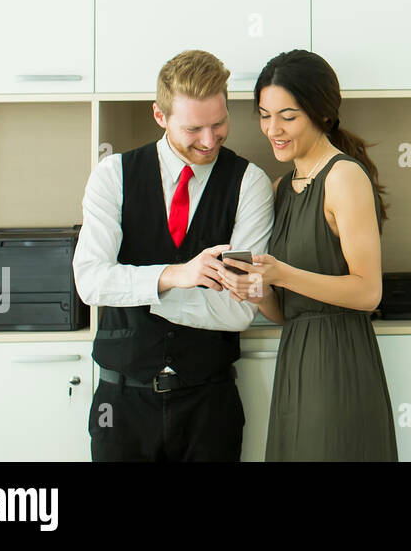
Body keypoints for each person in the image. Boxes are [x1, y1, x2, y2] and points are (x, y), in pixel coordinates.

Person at [73, 49, 274, 461]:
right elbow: (91, 281)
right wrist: (174, 276)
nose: (208, 139)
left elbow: (239, 310)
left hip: (210, 405)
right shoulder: (113, 176)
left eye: (219, 123)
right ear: (160, 116)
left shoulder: (249, 184)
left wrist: (136, 292)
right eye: (193, 128)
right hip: (121, 405)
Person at [222, 48, 398, 461]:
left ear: (321, 114)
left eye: (288, 116)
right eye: (265, 115)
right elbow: (286, 311)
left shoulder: (344, 177)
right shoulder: (282, 186)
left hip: (339, 361)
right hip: (295, 359)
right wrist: (257, 287)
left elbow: (368, 292)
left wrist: (281, 274)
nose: (273, 129)